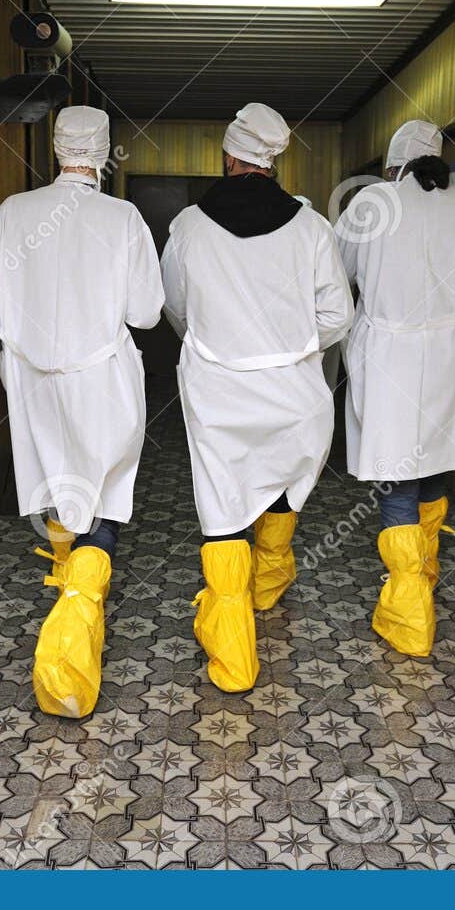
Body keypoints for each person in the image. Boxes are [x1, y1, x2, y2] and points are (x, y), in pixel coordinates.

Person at [0, 105, 163, 718]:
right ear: (103, 150)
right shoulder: (123, 218)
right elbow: (145, 313)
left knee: (62, 491)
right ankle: (71, 645)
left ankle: (67, 601)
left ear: (56, 149)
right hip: (103, 380)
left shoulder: (13, 214)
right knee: (102, 496)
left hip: (33, 384)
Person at [160, 103, 352, 692]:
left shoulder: (190, 225)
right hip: (296, 393)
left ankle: (235, 655)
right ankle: (268, 586)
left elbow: (176, 308)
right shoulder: (314, 228)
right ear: (273, 161)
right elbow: (337, 316)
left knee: (222, 506)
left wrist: (221, 340)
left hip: (218, 393)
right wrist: (291, 345)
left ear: (229, 155)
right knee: (283, 483)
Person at [335, 119, 455, 657]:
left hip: (392, 352)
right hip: (454, 351)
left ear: (393, 164)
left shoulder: (371, 203)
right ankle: (424, 574)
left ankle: (408, 613)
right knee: (436, 459)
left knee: (396, 473)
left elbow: (342, 272)